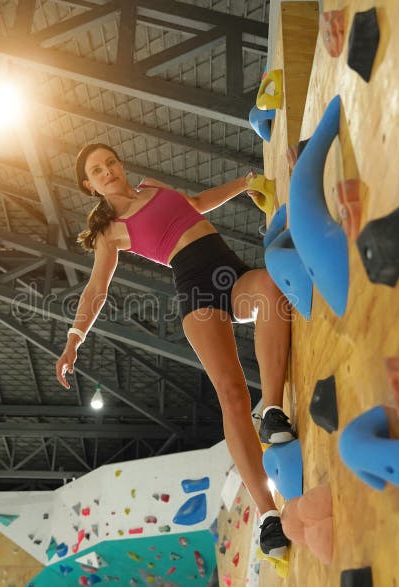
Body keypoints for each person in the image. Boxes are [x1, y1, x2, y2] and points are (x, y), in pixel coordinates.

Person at [55, 143, 295, 559]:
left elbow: (198, 203)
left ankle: (272, 410)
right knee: (232, 394)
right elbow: (97, 289)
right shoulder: (108, 233)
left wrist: (245, 183)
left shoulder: (152, 185)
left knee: (271, 291)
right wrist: (74, 339)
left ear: (121, 162)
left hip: (230, 271)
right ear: (89, 185)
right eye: (97, 171)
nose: (108, 171)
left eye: (111, 161)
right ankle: (268, 515)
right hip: (196, 293)